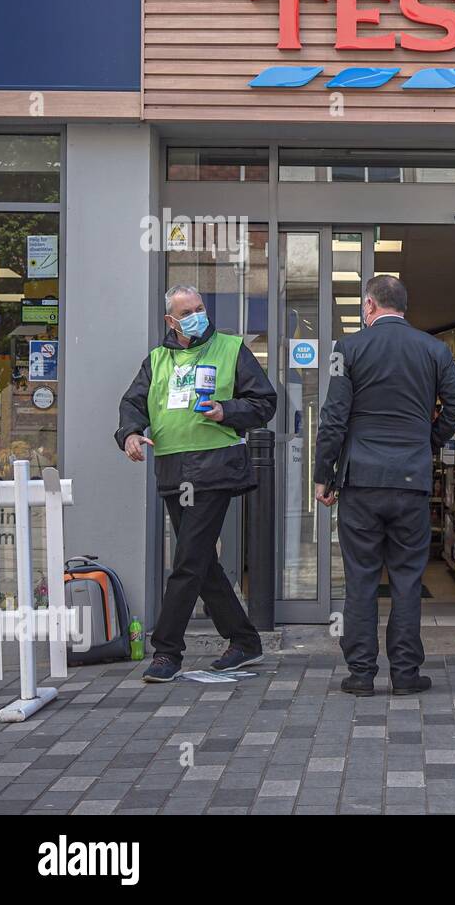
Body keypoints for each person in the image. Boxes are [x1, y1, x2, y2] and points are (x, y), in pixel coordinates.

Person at [314, 275, 455, 698]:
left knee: (361, 578)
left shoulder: (347, 350)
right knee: (406, 579)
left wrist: (323, 476)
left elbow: (333, 418)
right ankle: (405, 673)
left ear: (368, 306)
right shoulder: (434, 350)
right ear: (403, 306)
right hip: (411, 481)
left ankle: (361, 674)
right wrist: (428, 441)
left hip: (361, 483)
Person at [116, 285, 277, 683]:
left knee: (186, 560)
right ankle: (244, 641)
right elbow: (133, 403)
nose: (196, 315)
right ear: (171, 320)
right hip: (173, 471)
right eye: (186, 311)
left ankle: (167, 652)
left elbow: (265, 402)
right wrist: (130, 434)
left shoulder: (230, 348)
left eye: (200, 308)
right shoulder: (157, 360)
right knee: (201, 562)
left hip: (215, 468)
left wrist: (227, 410)